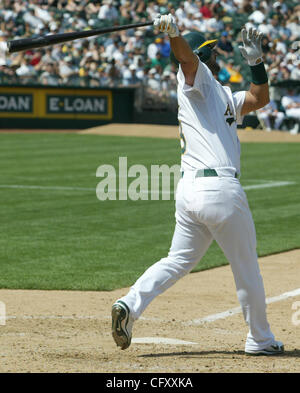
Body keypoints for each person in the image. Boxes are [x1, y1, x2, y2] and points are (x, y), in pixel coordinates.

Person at [111, 14, 284, 356]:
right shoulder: (197, 78)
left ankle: (130, 305)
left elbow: (258, 99)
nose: (217, 57)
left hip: (190, 191)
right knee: (246, 265)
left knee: (177, 260)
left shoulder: (219, 93)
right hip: (219, 189)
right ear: (203, 56)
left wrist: (257, 64)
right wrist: (175, 34)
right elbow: (187, 59)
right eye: (212, 52)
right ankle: (260, 339)